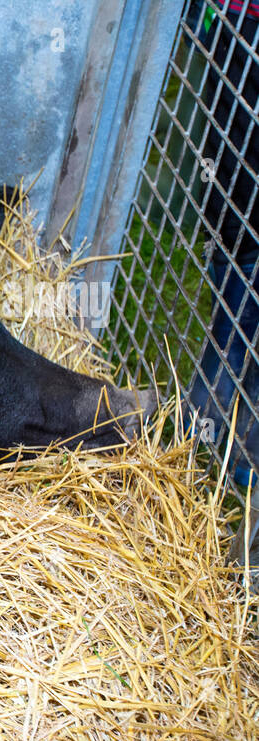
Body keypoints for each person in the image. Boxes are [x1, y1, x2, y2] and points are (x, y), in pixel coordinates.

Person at [188, 0, 259, 489]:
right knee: (234, 335)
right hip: (242, 217)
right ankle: (210, 454)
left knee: (232, 335)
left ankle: (206, 450)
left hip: (230, 209)